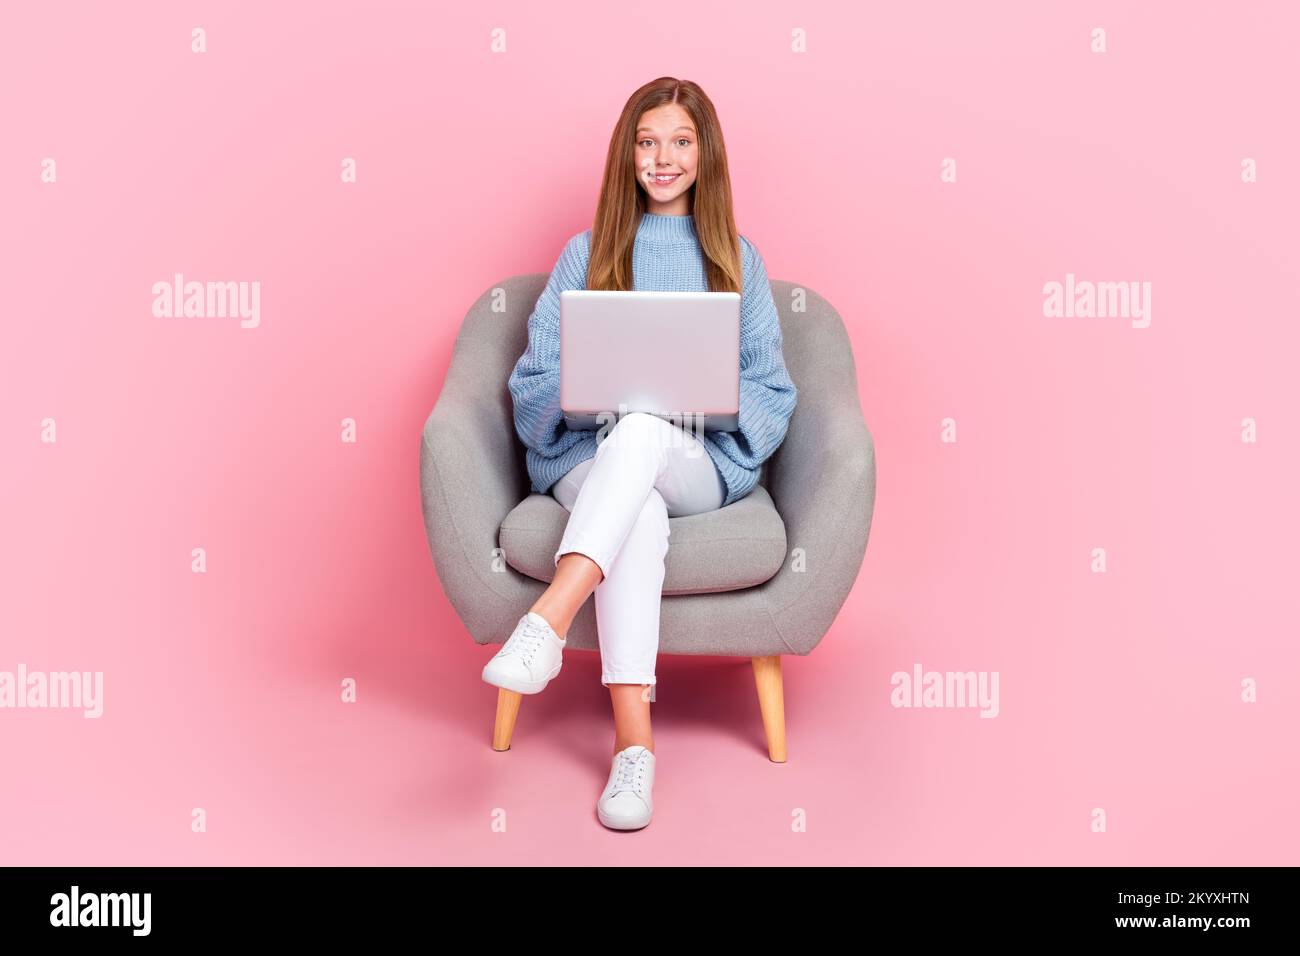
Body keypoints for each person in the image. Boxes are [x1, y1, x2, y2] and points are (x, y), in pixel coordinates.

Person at [483, 76, 798, 831]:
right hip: (592, 461)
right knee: (639, 498)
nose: (663, 158)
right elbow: (532, 379)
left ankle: (548, 621)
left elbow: (772, 390)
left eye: (681, 142)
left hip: (696, 461)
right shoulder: (586, 253)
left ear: (705, 154)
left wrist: (691, 411)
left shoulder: (736, 260)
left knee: (650, 429)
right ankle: (635, 753)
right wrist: (600, 401)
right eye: (648, 141)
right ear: (627, 154)